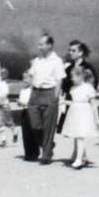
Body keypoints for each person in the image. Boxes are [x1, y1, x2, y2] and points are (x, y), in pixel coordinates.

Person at [28, 34, 65, 164]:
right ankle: (48, 146)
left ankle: (46, 155)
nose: (39, 47)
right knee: (35, 124)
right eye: (39, 44)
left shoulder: (57, 61)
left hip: (49, 93)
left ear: (49, 45)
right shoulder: (37, 60)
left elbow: (59, 80)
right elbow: (31, 76)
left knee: (48, 127)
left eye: (42, 44)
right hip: (36, 93)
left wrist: (55, 97)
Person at [62, 66, 99, 169]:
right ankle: (80, 156)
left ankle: (79, 159)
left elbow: (93, 104)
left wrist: (97, 119)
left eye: (73, 76)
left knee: (80, 135)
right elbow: (75, 101)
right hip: (74, 112)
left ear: (80, 76)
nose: (71, 79)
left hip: (84, 113)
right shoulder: (73, 89)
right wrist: (65, 102)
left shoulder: (88, 88)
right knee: (76, 134)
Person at [0, 64, 17, 145]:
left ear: (2, 76)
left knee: (9, 122)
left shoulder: (3, 84)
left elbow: (5, 93)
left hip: (4, 105)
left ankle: (14, 131)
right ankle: (3, 138)